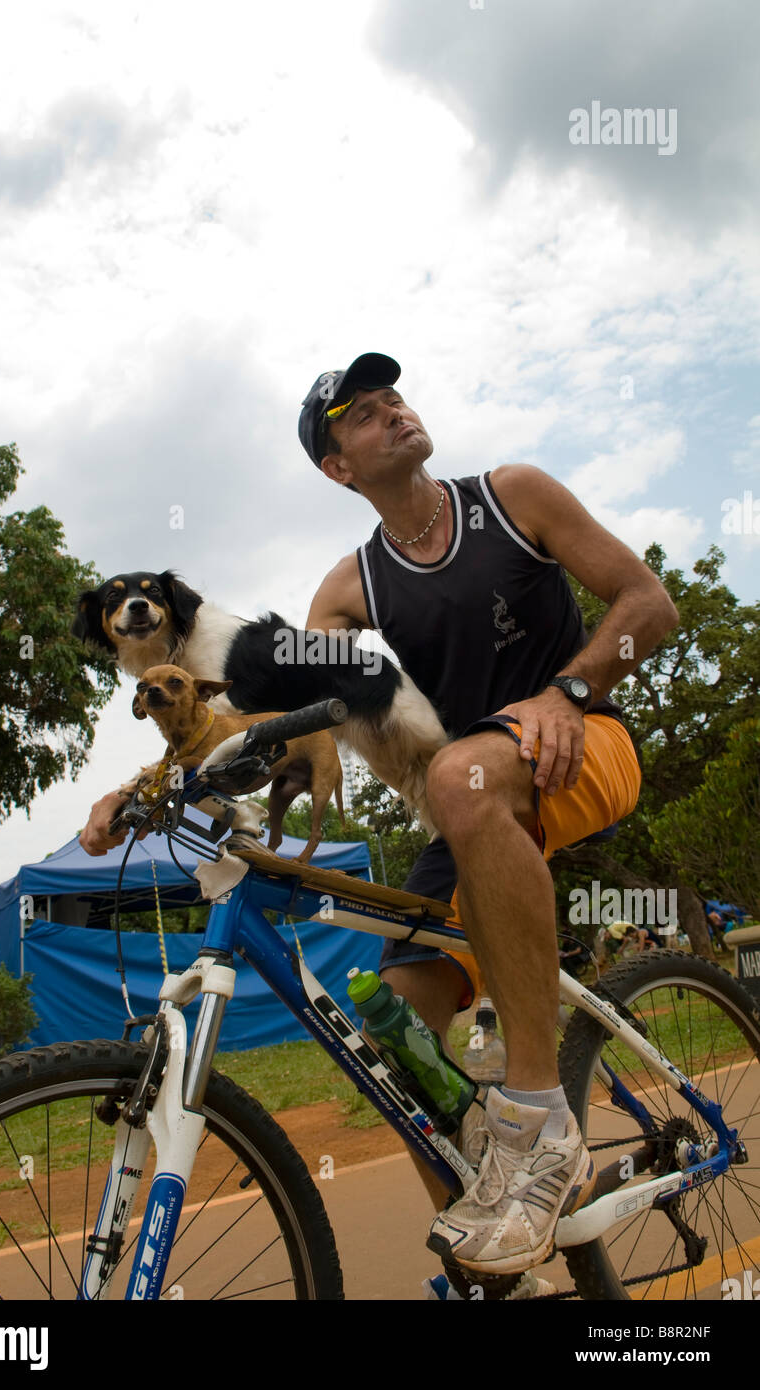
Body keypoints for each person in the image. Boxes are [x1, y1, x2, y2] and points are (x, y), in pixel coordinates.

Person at [295, 353, 678, 1276]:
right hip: (471, 804)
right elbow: (296, 695)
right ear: (336, 467)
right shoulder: (349, 588)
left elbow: (645, 603)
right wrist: (160, 774)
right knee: (390, 1035)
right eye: (360, 411)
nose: (390, 408)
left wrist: (567, 690)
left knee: (459, 778)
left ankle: (541, 1125)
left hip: (587, 747)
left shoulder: (510, 495)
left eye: (393, 395)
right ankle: (490, 1246)